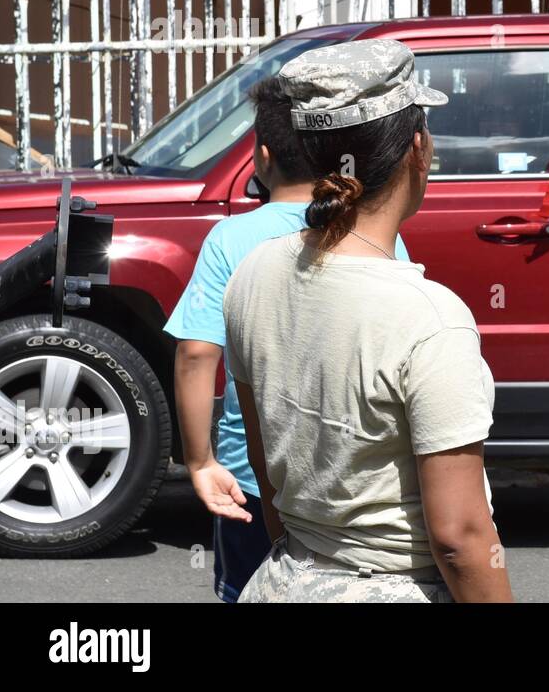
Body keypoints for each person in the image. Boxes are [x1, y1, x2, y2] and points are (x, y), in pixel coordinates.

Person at [226, 38, 512, 603]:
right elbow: (459, 537)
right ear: (417, 148)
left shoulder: (254, 271)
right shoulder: (430, 317)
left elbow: (265, 463)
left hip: (283, 581)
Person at [165, 76, 412, 603]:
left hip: (254, 478)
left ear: (261, 157)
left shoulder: (230, 238)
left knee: (255, 591)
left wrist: (200, 460)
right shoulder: (376, 233)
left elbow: (196, 352)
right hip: (355, 482)